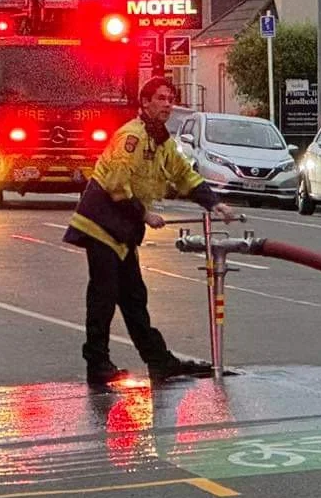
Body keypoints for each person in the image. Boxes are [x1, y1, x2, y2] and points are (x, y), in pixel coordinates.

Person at [64, 76, 240, 389]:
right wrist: (145, 215)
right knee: (103, 297)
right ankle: (98, 365)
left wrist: (215, 205)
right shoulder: (131, 137)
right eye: (160, 98)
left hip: (122, 231)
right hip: (101, 224)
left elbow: (185, 176)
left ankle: (158, 361)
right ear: (144, 103)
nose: (167, 103)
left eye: (170, 98)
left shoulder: (163, 143)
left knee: (134, 297)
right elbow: (117, 184)